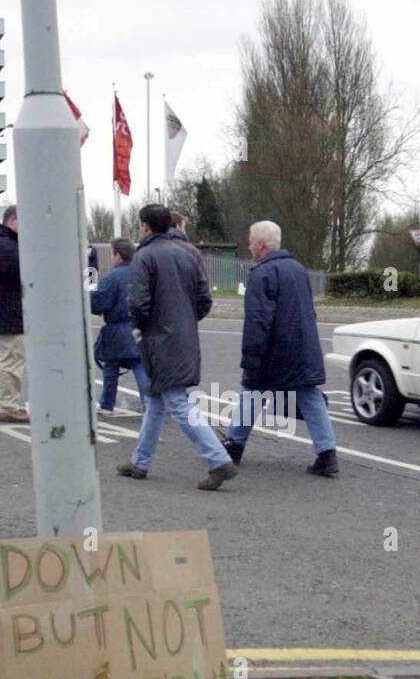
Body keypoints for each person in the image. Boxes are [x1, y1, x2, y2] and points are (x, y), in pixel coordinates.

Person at [118, 204, 238, 491]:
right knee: (157, 401)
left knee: (177, 403)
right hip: (183, 337)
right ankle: (140, 461)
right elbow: (204, 300)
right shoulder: (189, 253)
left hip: (159, 340)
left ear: (145, 226)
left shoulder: (144, 256)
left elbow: (138, 303)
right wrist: (183, 320)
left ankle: (218, 460)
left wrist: (141, 330)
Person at [219, 220, 338, 477]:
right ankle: (327, 454)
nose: (249, 246)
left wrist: (251, 355)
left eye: (251, 241)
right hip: (303, 347)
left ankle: (234, 445)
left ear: (261, 245)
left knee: (252, 391)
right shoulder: (298, 269)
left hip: (274, 350)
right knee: (309, 395)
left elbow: (258, 320)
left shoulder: (261, 274)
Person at [90, 237, 148, 416]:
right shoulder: (144, 275)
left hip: (117, 329)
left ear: (118, 256)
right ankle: (150, 403)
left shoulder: (112, 277)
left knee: (111, 366)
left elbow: (97, 304)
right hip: (141, 327)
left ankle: (107, 404)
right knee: (140, 365)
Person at [0, 206, 29, 423]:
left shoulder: (1, 242)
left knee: (9, 356)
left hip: (4, 308)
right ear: (13, 220)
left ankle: (0, 401)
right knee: (12, 358)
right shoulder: (5, 245)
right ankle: (8, 406)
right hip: (9, 310)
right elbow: (18, 271)